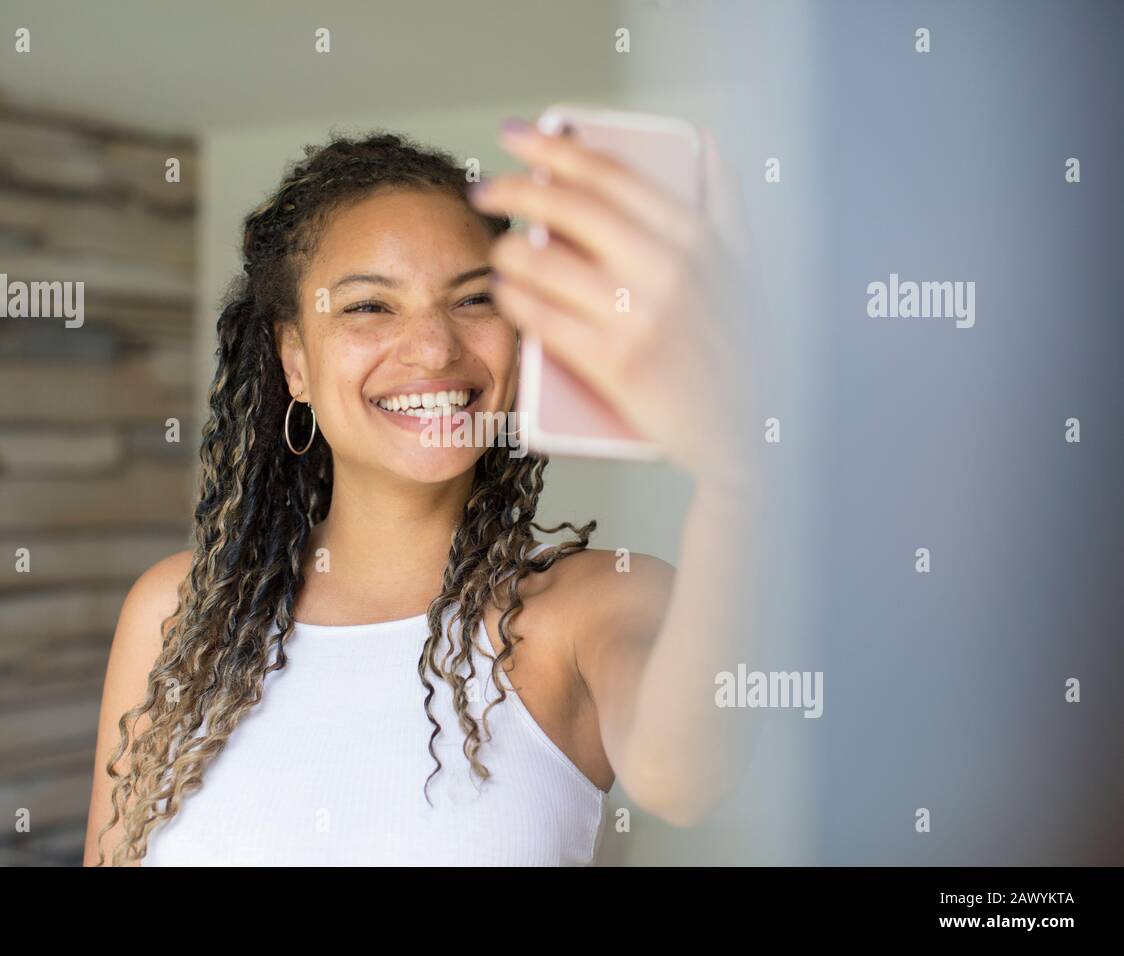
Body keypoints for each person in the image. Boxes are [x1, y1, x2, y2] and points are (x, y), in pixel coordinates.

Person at [83, 119, 758, 866]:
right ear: (294, 360)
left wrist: (738, 471)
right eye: (370, 306)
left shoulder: (596, 607)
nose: (436, 347)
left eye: (474, 300)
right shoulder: (178, 613)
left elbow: (683, 777)